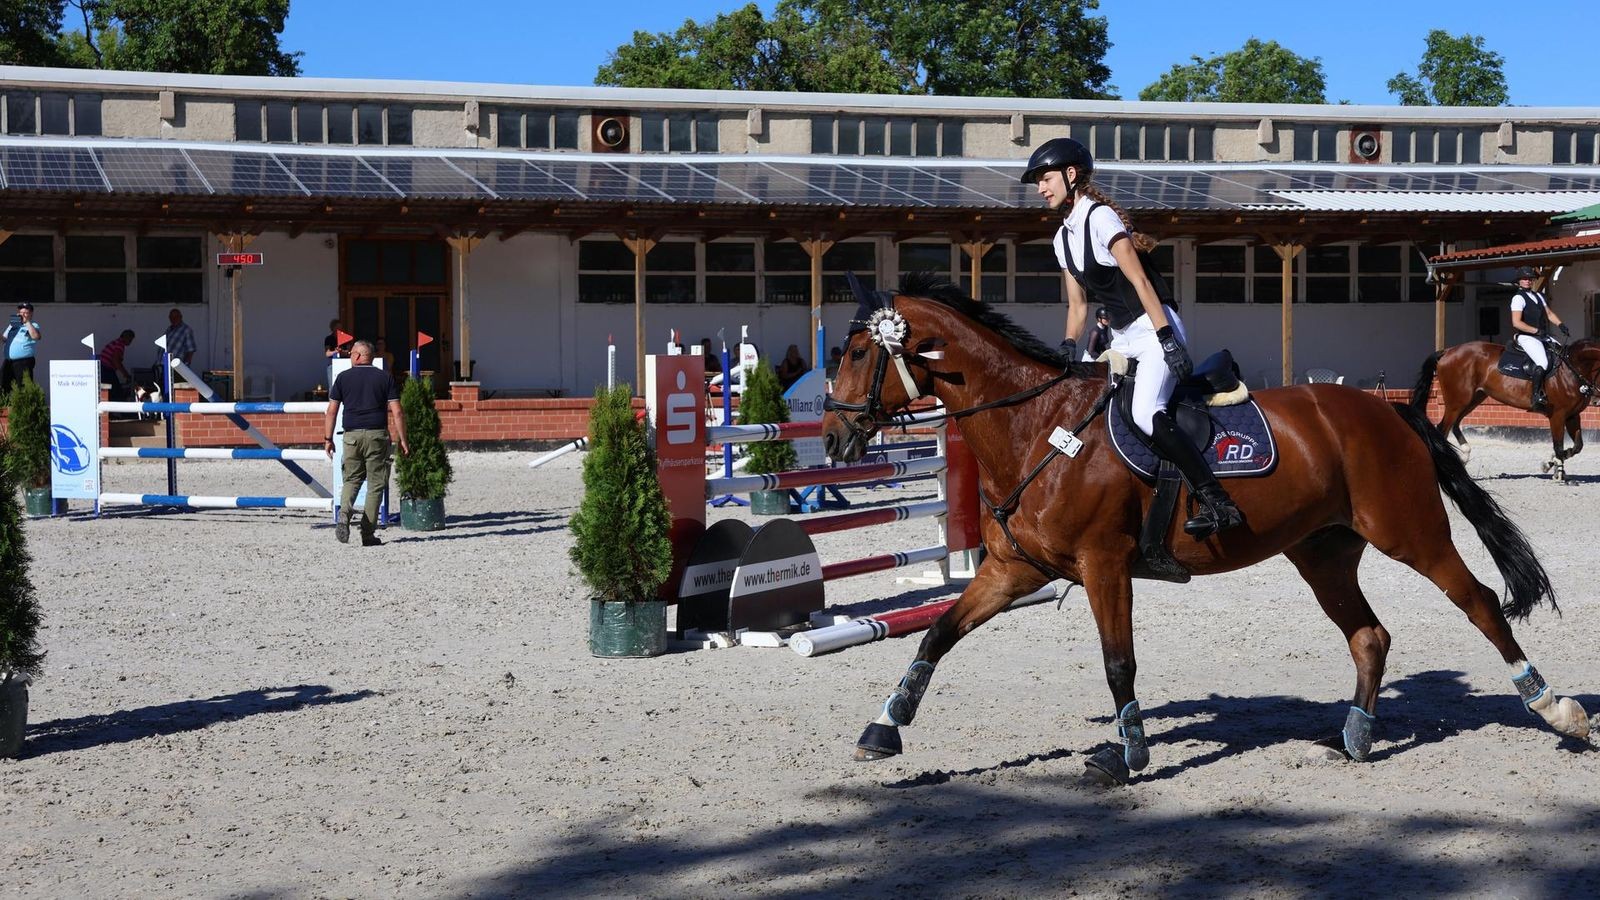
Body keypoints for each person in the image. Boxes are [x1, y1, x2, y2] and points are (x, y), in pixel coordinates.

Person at [1022, 136, 1241, 538]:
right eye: (1038, 182)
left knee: (1145, 412)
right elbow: (1078, 307)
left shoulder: (1101, 218)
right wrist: (1068, 347)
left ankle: (1217, 500)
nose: (1040, 189)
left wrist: (1167, 339)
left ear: (1071, 175)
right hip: (1121, 337)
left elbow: (1141, 282)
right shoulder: (1062, 239)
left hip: (1154, 327)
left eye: (1046, 179)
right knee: (1079, 403)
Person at [323, 340, 409, 547]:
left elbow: (331, 411)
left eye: (351, 353)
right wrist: (403, 439)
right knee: (376, 484)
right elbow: (397, 412)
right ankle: (367, 534)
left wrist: (327, 439)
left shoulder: (343, 378)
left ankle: (344, 514)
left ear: (358, 356)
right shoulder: (385, 377)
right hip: (377, 435)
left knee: (351, 479)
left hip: (351, 436)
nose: (350, 357)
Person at [1510, 265, 1569, 411]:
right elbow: (1516, 322)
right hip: (1527, 337)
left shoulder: (1539, 296)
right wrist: (1536, 331)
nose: (1527, 281)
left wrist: (1560, 324)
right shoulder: (1518, 298)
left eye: (1530, 279)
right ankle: (1536, 396)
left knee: (1562, 353)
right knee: (1542, 362)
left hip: (1541, 336)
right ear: (1519, 281)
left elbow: (1549, 314)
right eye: (1524, 279)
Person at [2, 302, 41, 393]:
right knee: (4, 385)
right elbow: (4, 339)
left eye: (25, 313)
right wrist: (12, 325)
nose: (22, 315)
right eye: (20, 312)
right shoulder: (13, 325)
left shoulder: (33, 325)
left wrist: (26, 322)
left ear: (31, 314)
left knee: (23, 388)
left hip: (23, 361)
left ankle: (24, 402)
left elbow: (36, 336)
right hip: (9, 361)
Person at [99, 329, 137, 403]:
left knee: (106, 391)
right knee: (117, 392)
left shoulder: (115, 342)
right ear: (125, 337)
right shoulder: (120, 345)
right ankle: (121, 409)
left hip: (102, 369)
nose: (130, 342)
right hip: (106, 370)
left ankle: (105, 408)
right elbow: (116, 361)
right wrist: (126, 375)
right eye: (130, 339)